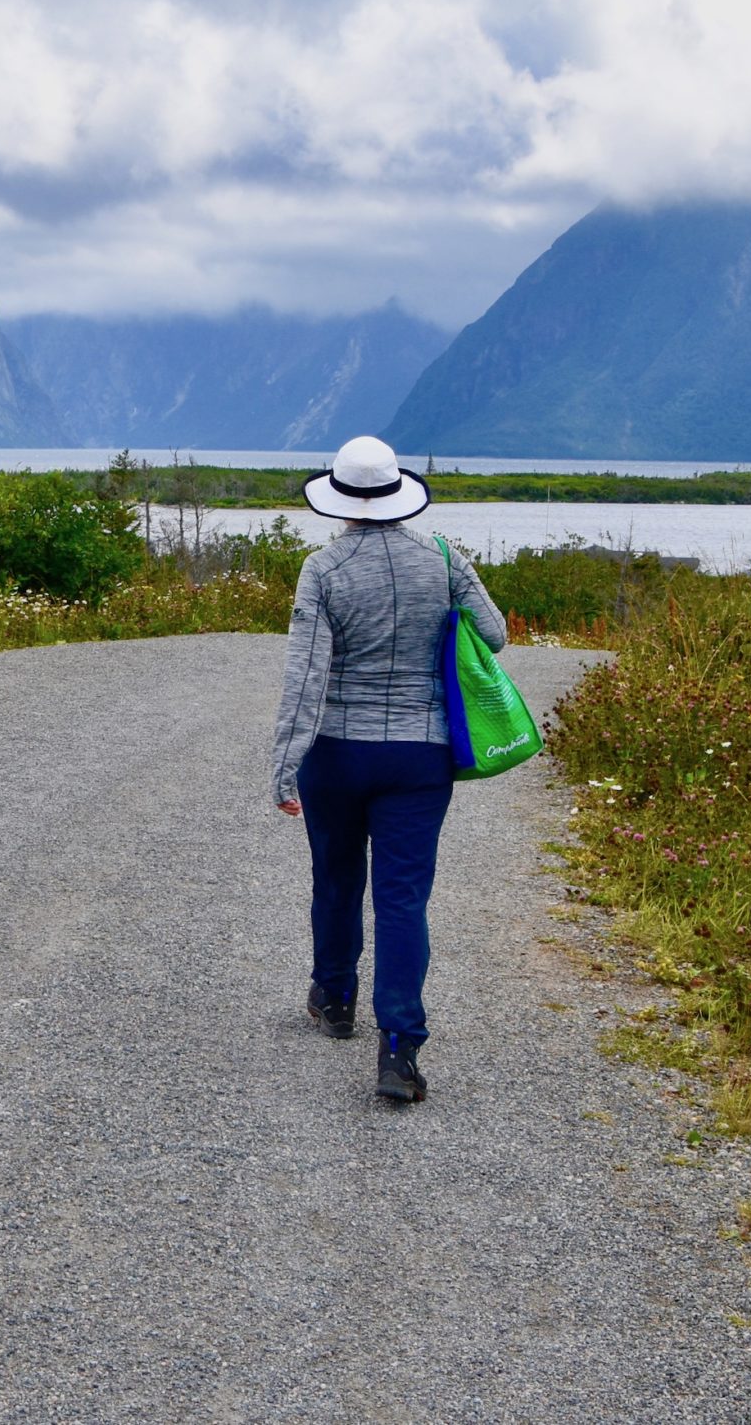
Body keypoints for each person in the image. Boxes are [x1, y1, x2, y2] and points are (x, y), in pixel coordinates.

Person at [270, 435, 508, 1104]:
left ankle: (336, 997)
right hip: (419, 754)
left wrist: (283, 765)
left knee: (336, 876)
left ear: (339, 498)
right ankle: (399, 1050)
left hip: (337, 752)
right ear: (398, 493)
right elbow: (494, 633)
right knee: (403, 896)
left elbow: (305, 676)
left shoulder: (323, 569)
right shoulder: (442, 557)